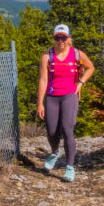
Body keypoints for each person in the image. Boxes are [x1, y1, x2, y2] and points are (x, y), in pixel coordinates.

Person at [37, 23, 94, 181]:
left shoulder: (77, 54)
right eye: (57, 37)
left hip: (70, 95)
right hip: (52, 96)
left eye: (63, 37)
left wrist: (80, 83)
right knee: (51, 130)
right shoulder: (47, 57)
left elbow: (90, 68)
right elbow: (43, 80)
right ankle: (55, 152)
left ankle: (70, 167)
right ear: (54, 38)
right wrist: (40, 103)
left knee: (68, 130)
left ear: (69, 38)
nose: (60, 41)